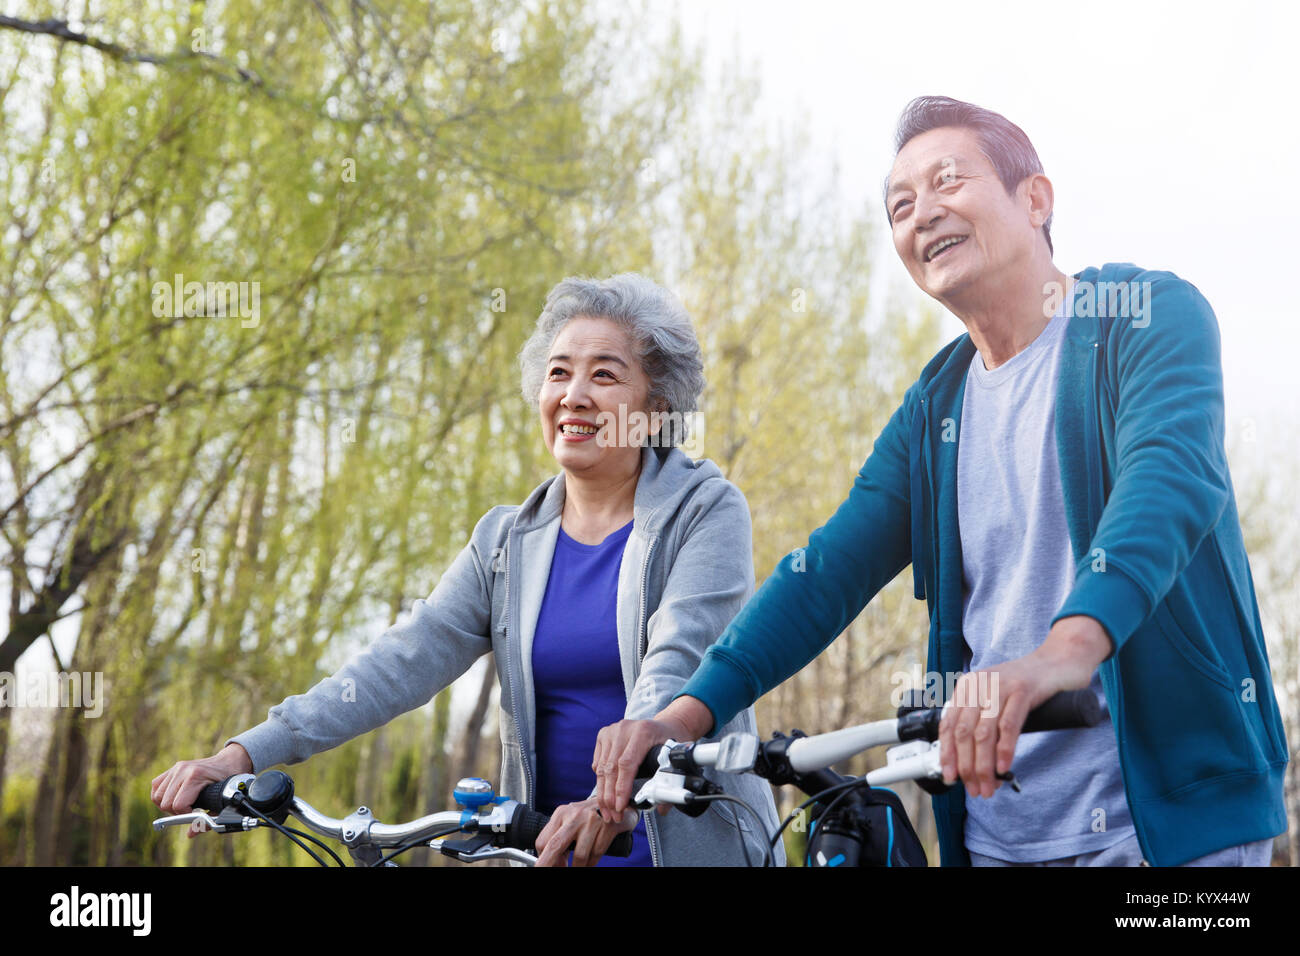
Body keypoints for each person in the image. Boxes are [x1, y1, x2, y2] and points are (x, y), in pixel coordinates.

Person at [591, 97, 1289, 867]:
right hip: (996, 837)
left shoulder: (1146, 317)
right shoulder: (937, 407)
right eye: (900, 205)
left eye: (947, 181)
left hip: (1170, 832)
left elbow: (1167, 483)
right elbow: (824, 574)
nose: (921, 213)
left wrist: (1065, 649)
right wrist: (684, 715)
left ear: (1036, 199)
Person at [151, 273, 782, 867]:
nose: (574, 394)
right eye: (558, 372)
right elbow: (401, 660)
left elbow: (677, 664)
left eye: (605, 375)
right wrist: (241, 754)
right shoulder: (505, 542)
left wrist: (608, 799)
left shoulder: (705, 509)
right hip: (547, 849)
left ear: (657, 406)